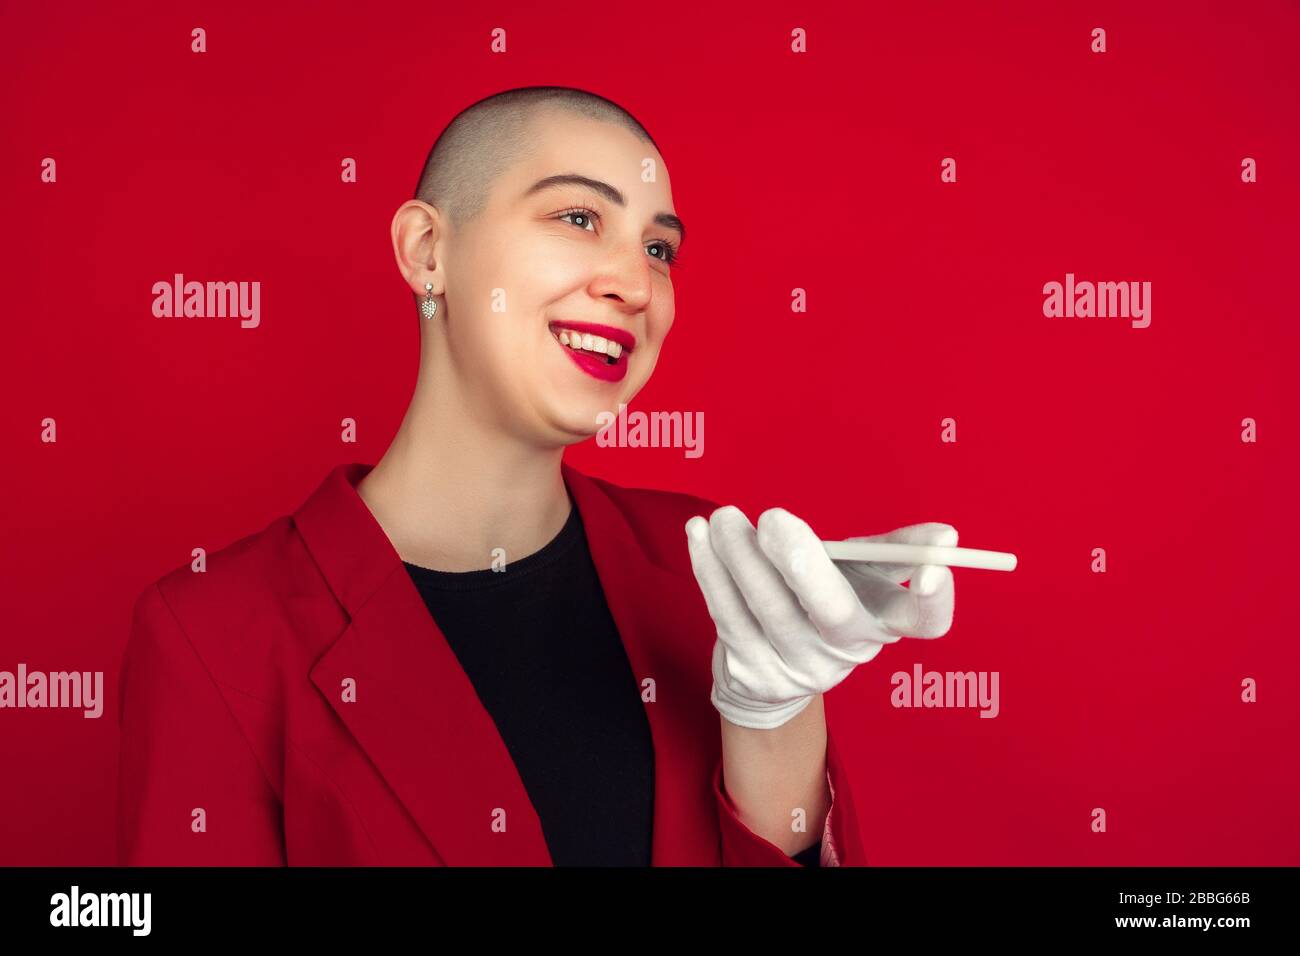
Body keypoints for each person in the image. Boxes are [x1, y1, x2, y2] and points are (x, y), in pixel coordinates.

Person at [116, 85, 958, 866]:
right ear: (426, 250)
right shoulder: (213, 637)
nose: (636, 284)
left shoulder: (713, 568)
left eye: (659, 248)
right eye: (580, 217)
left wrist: (778, 715)